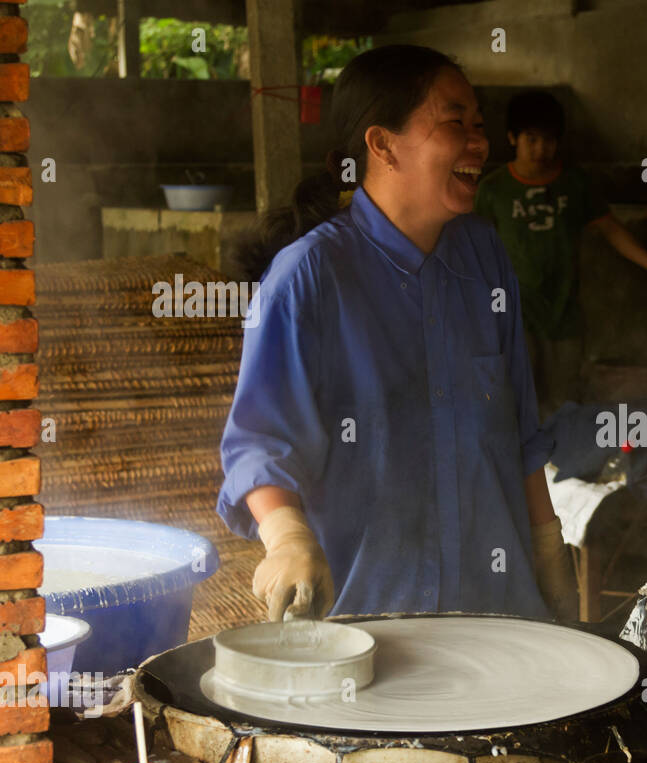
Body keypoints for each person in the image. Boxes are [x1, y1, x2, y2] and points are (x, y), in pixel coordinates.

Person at [218, 46, 577, 623]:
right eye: (455, 121)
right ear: (382, 145)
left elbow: (520, 428)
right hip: (371, 629)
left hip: (499, 618)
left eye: (479, 124)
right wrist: (286, 535)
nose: (479, 143)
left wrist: (546, 542)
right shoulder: (309, 277)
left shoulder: (485, 257)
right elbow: (258, 443)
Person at [473, 91, 647, 416]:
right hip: (515, 309)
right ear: (512, 138)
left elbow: (610, 229)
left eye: (550, 140)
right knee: (519, 396)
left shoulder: (575, 183)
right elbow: (473, 245)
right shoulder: (493, 189)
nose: (542, 149)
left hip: (565, 309)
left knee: (565, 400)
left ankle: (565, 461)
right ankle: (524, 463)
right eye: (532, 139)